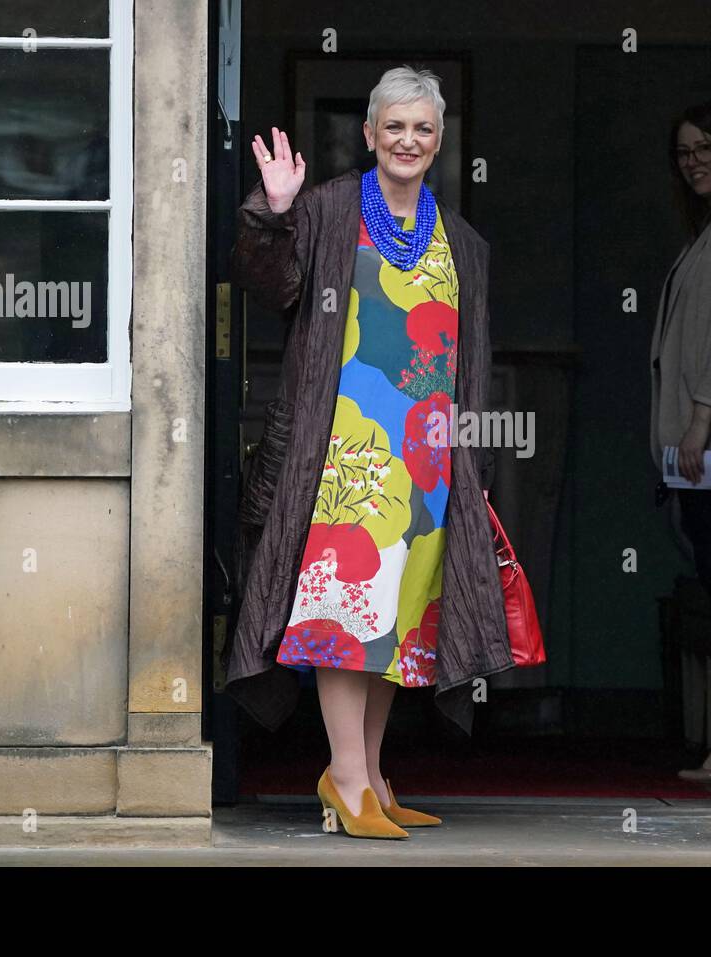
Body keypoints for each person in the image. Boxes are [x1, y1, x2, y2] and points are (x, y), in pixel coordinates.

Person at [223, 66, 512, 839]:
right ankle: (344, 776)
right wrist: (274, 212)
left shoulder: (465, 244)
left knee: (397, 627)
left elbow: (470, 363)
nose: (407, 141)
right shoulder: (324, 211)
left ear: (439, 140)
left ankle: (371, 774)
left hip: (426, 466)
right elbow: (268, 283)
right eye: (394, 127)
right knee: (340, 617)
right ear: (369, 134)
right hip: (341, 458)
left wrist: (470, 463)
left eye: (422, 129)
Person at [648, 101, 711, 786]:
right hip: (691, 448)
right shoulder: (708, 230)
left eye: (706, 145)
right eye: (684, 150)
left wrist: (702, 420)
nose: (694, 159)